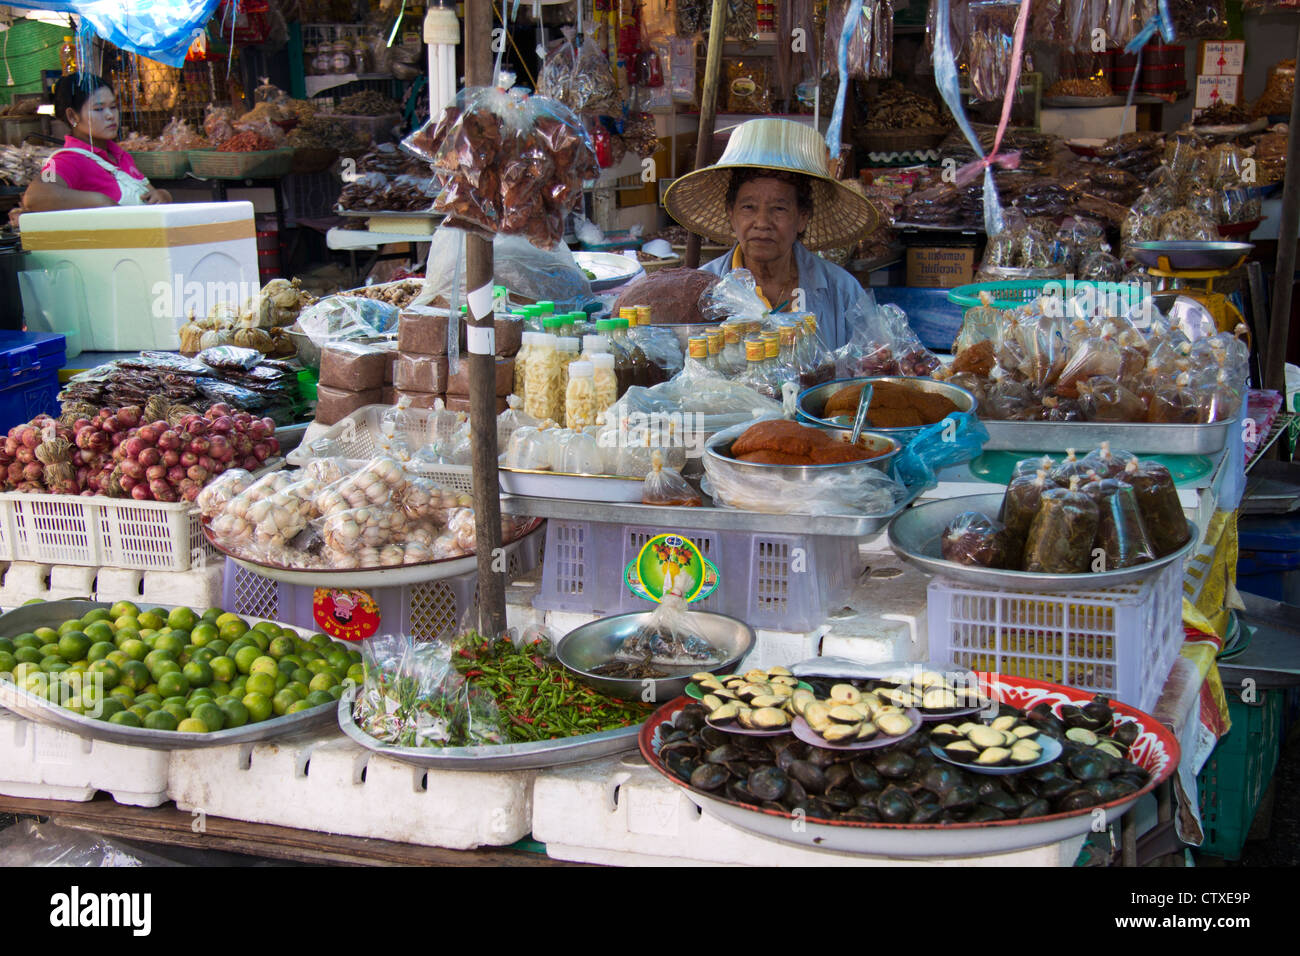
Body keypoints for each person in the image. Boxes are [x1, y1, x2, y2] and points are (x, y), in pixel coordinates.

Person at [661, 118, 881, 351]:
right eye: (748, 207)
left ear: (802, 217)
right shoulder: (703, 292)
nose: (762, 223)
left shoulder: (842, 291)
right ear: (731, 214)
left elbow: (871, 365)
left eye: (779, 208)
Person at [19, 72, 170, 218]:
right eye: (98, 109)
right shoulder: (66, 160)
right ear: (72, 116)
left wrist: (163, 195)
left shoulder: (120, 155)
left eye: (113, 107)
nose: (110, 115)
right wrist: (99, 201)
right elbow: (35, 196)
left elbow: (150, 193)